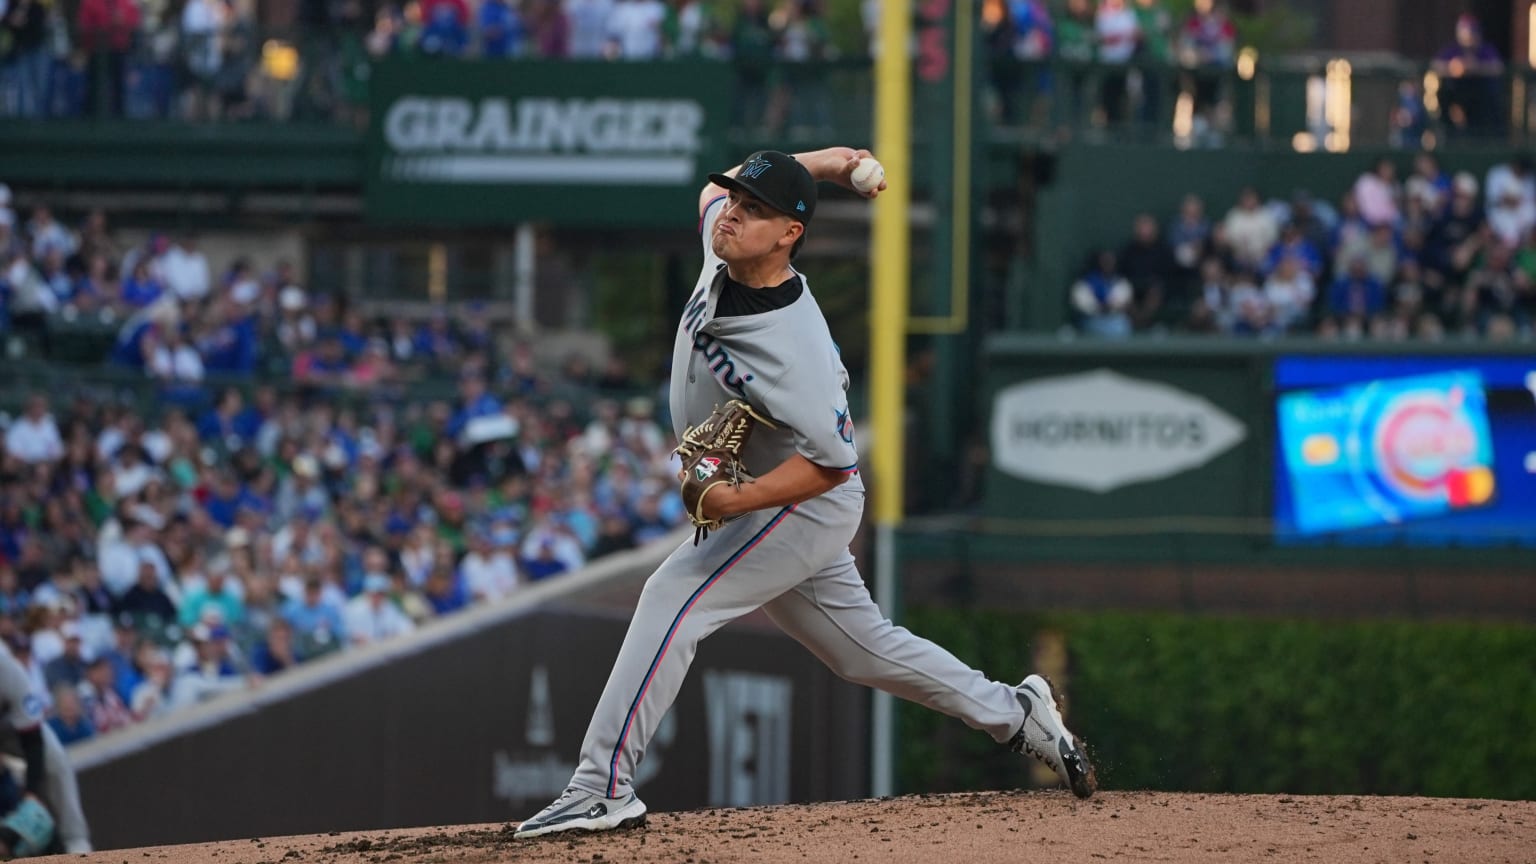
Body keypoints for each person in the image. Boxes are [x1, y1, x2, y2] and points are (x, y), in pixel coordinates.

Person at [513, 148, 1094, 839]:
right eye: (735, 201)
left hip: (802, 499)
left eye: (753, 210)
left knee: (674, 595)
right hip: (780, 493)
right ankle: (1017, 712)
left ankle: (601, 785)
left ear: (790, 233)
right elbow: (709, 190)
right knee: (861, 650)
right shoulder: (722, 245)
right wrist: (827, 163)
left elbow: (835, 468)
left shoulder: (798, 351)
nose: (731, 214)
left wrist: (738, 499)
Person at [0, 642, 92, 854]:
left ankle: (76, 841)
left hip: (10, 725)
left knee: (56, 759)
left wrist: (32, 794)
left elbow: (33, 740)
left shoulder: (9, 671)